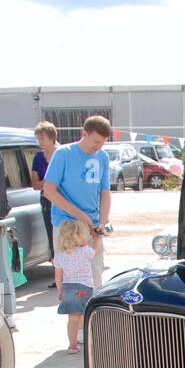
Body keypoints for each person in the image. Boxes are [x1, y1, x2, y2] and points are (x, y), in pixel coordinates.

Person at [43, 115, 112, 288]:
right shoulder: (63, 154)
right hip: (66, 225)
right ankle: (74, 315)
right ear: (84, 134)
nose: (98, 147)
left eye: (102, 143)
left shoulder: (102, 157)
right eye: (95, 141)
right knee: (71, 281)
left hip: (92, 226)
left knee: (95, 276)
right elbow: (49, 191)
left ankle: (93, 314)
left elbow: (105, 192)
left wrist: (103, 220)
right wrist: (80, 216)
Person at [54, 220, 96, 354]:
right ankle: (88, 340)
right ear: (80, 236)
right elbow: (96, 252)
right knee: (86, 315)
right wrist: (97, 239)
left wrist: (60, 290)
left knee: (72, 318)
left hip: (68, 287)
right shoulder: (85, 251)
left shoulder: (60, 256)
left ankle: (72, 345)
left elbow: (58, 276)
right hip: (84, 287)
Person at [30, 120, 58, 287]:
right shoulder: (38, 157)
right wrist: (48, 185)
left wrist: (47, 184)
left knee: (63, 235)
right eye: (38, 138)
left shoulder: (61, 154)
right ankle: (57, 275)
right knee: (51, 237)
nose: (40, 142)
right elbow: (35, 182)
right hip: (46, 201)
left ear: (52, 138)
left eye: (43, 138)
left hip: (61, 201)